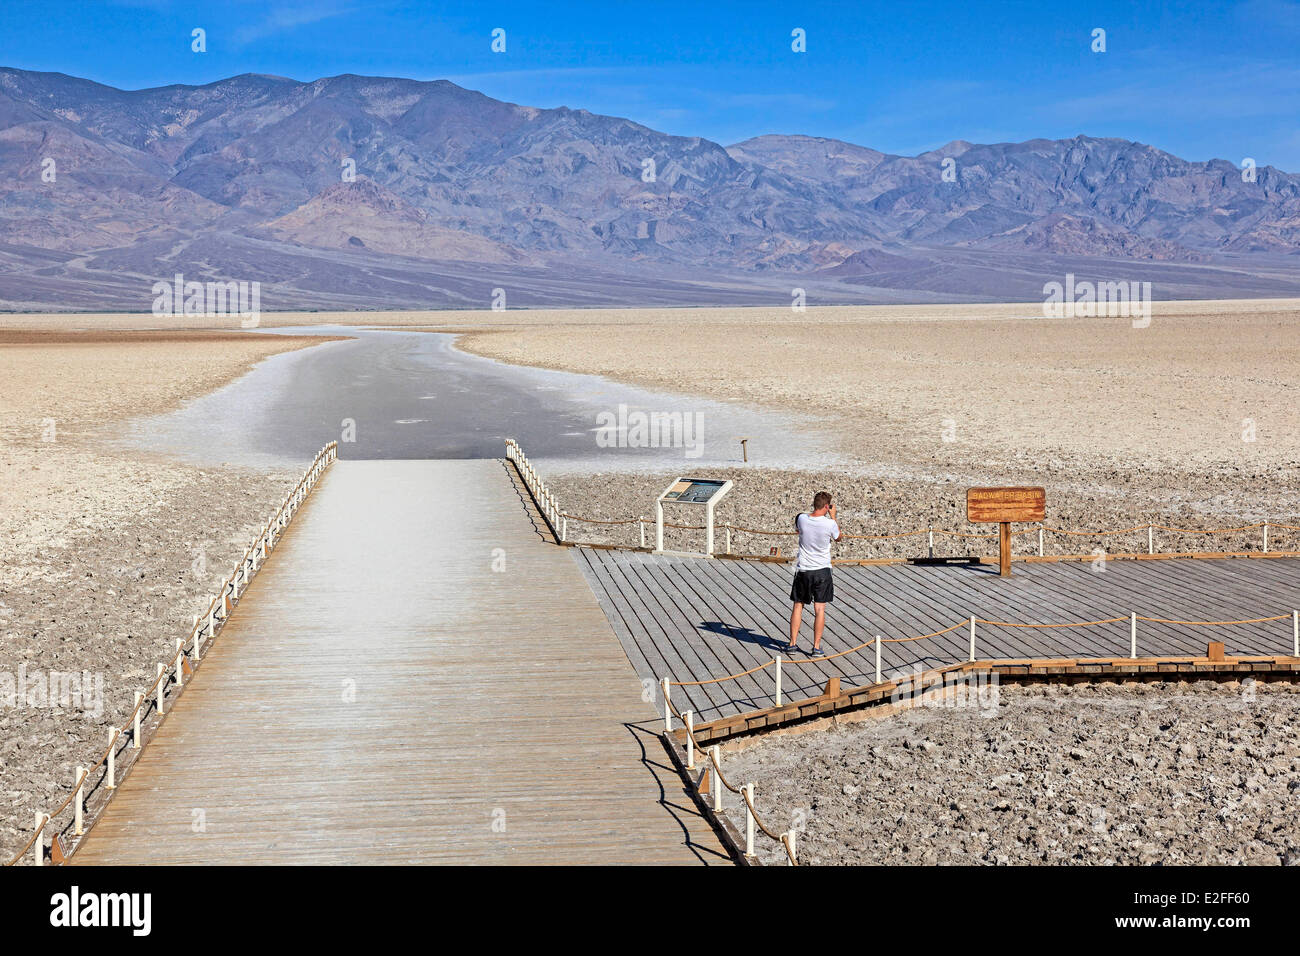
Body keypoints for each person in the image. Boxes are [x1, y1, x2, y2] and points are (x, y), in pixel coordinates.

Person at [786, 491, 841, 656]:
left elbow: (798, 529)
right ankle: (816, 647)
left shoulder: (802, 519)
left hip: (804, 569)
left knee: (798, 605)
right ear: (826, 506)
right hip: (822, 570)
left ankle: (792, 643)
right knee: (820, 609)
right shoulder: (829, 524)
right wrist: (833, 516)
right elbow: (838, 537)